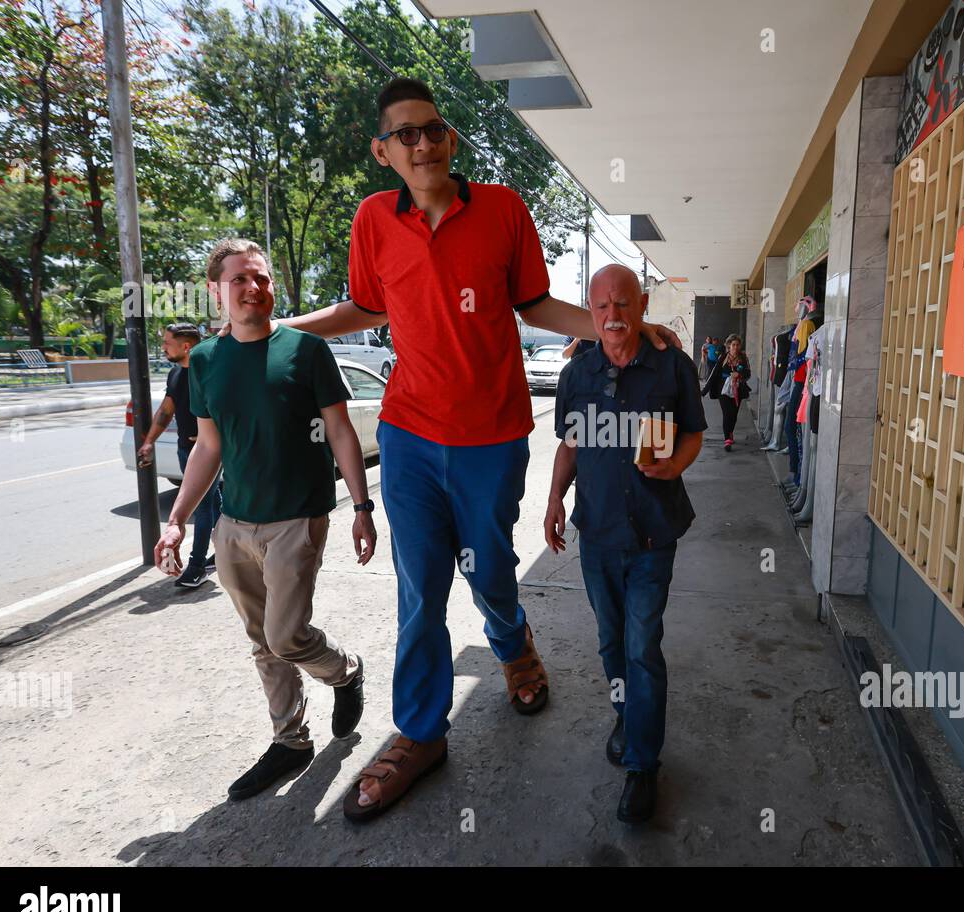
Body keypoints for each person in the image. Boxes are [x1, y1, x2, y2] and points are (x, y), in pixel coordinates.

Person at [219, 77, 682, 821]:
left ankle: (512, 641)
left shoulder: (502, 209)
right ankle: (421, 732)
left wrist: (617, 327)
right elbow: (366, 306)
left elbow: (536, 304)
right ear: (383, 151)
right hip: (407, 436)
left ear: (450, 139)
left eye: (434, 129)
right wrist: (280, 330)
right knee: (420, 588)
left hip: (493, 437)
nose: (424, 142)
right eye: (406, 133)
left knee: (492, 569)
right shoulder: (373, 219)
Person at [152, 239, 374, 802]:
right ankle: (290, 739)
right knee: (260, 641)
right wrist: (177, 519)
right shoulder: (203, 360)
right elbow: (208, 447)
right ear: (215, 291)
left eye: (261, 278)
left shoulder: (306, 350)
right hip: (233, 525)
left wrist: (362, 507)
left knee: (285, 635)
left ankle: (344, 671)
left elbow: (342, 432)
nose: (254, 289)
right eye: (240, 281)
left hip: (297, 519)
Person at [545, 265, 706, 824]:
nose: (612, 317)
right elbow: (568, 446)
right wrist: (552, 501)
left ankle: (643, 765)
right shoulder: (577, 373)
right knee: (611, 643)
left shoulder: (671, 365)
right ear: (590, 312)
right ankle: (626, 713)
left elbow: (693, 433)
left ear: (640, 305)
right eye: (600, 307)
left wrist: (674, 467)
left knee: (642, 646)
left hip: (654, 532)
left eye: (622, 304)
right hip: (598, 533)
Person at [138, 322, 220, 588]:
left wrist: (211, 436)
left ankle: (197, 566)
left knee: (203, 506)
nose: (163, 347)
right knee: (215, 503)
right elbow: (166, 411)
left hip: (207, 451)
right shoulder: (175, 374)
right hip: (185, 449)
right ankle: (227, 549)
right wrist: (149, 441)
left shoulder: (210, 371)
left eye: (167, 343)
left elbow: (228, 408)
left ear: (186, 346)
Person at [704, 333, 751, 450]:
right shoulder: (723, 357)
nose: (735, 347)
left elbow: (748, 373)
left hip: (737, 390)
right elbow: (714, 374)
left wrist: (739, 374)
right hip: (723, 389)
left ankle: (730, 432)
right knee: (727, 413)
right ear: (729, 346)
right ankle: (727, 439)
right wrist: (704, 390)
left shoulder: (743, 358)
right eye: (733, 345)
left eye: (737, 345)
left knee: (734, 415)